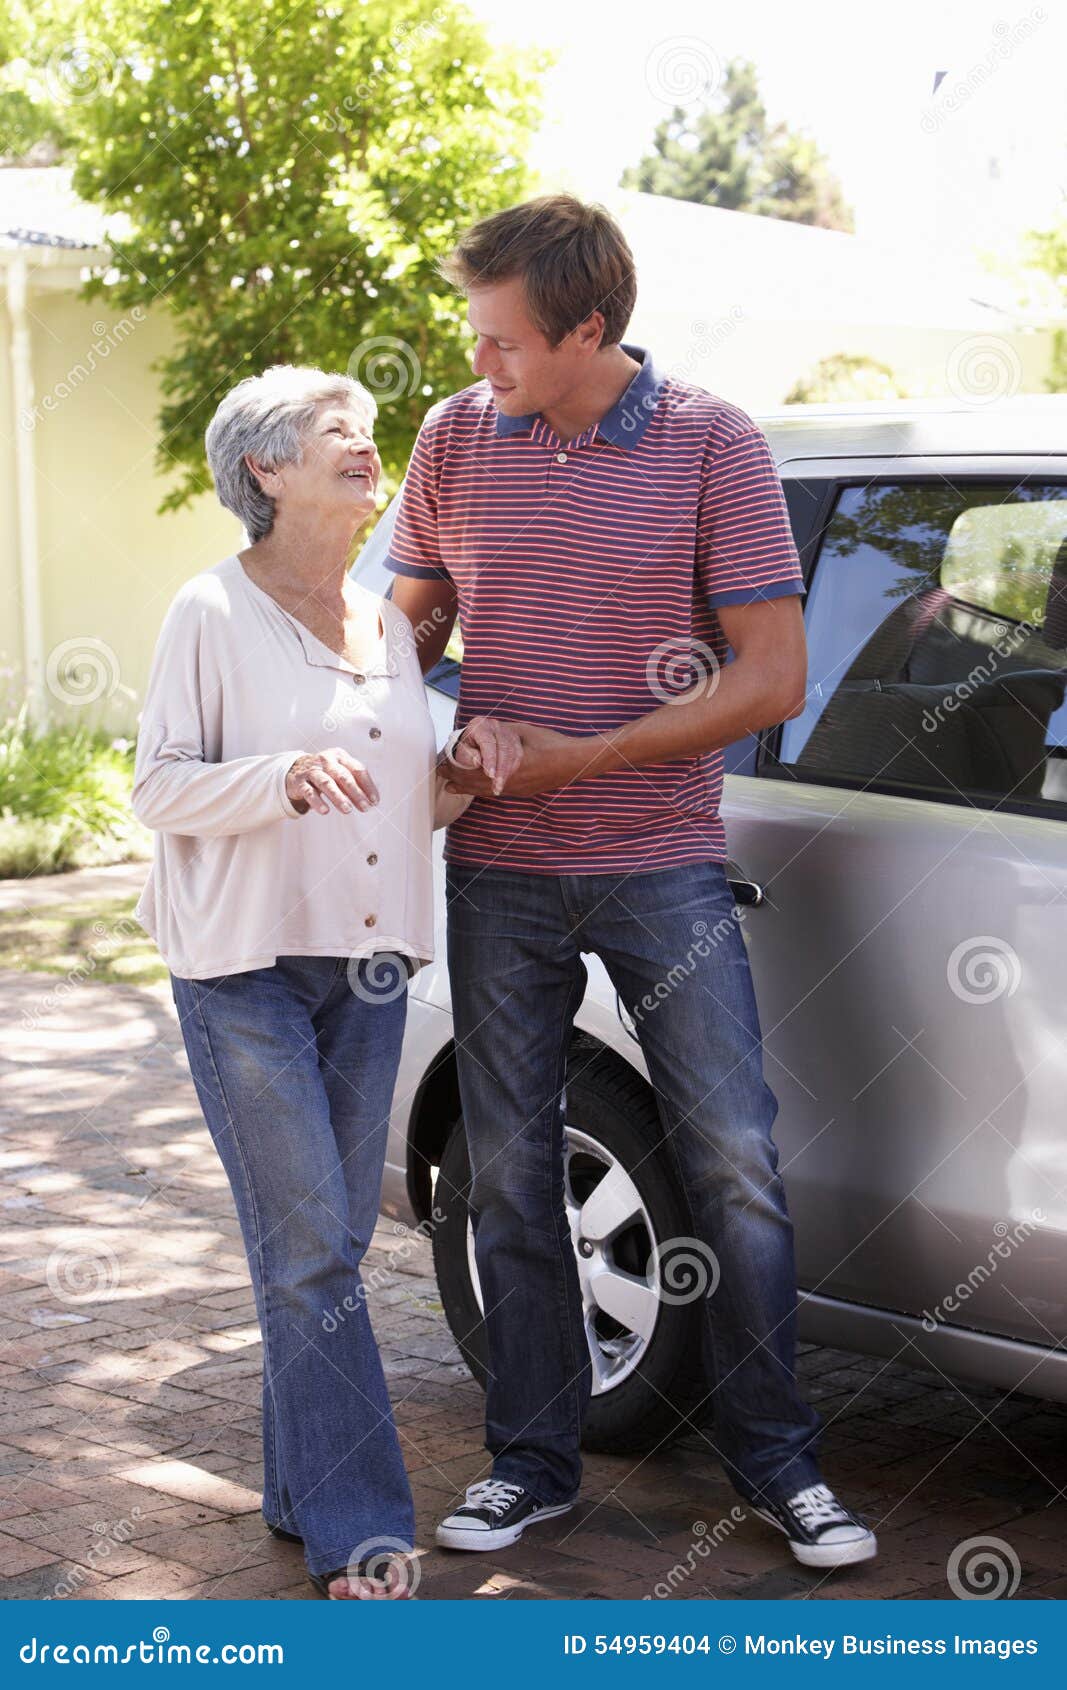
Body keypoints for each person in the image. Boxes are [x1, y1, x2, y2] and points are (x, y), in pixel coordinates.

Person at [387, 197, 877, 1572]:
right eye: (473, 335)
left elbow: (770, 678)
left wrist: (580, 757)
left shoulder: (710, 443)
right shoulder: (453, 438)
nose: (478, 362)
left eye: (502, 341)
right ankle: (529, 1464)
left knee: (734, 1168)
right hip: (496, 870)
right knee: (507, 1173)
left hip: (660, 861)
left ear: (587, 328)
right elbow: (399, 639)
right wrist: (431, 728)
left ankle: (778, 1467)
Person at [131, 364, 519, 1598]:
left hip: (368, 967)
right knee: (310, 1251)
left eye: (366, 428)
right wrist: (280, 776)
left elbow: (406, 803)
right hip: (242, 967)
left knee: (329, 1243)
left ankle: (299, 1490)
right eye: (331, 430)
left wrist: (464, 773)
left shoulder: (387, 626)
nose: (364, 444)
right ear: (265, 468)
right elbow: (157, 785)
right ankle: (360, 1530)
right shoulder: (209, 608)